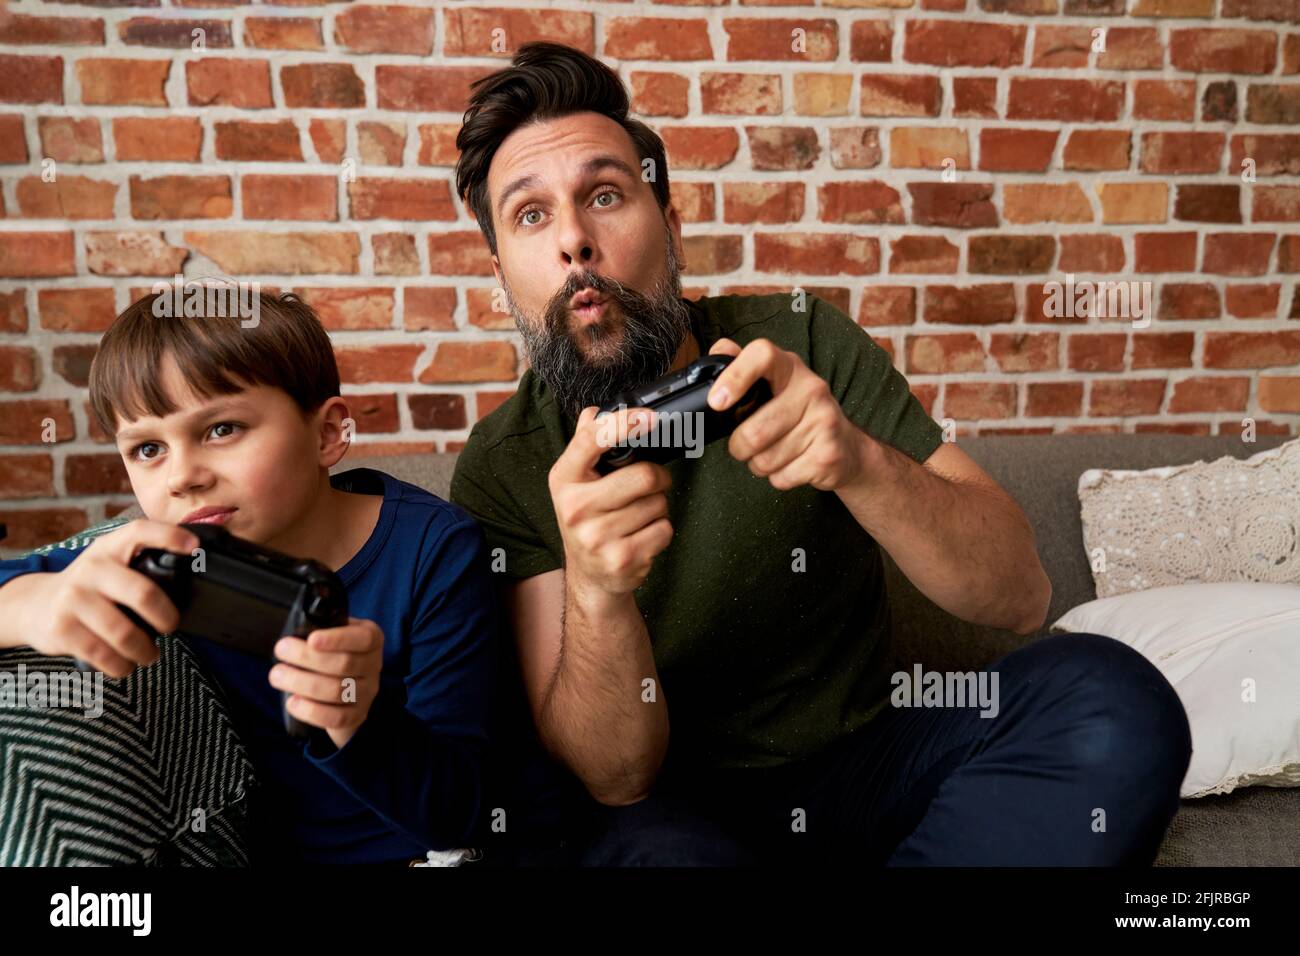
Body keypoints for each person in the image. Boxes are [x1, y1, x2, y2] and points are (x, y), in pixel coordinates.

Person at [448, 42, 1193, 866]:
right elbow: (616, 777)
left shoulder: (803, 341)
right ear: (500, 276)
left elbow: (1020, 595)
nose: (575, 242)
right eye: (531, 215)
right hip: (674, 813)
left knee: (1110, 696)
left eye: (605, 194)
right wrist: (596, 592)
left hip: (868, 767)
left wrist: (858, 461)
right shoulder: (507, 464)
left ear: (671, 225)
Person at [0, 289, 499, 865]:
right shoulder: (157, 562)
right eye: (148, 449)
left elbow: (463, 811)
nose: (183, 477)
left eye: (221, 430)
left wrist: (358, 719)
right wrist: (34, 601)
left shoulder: (434, 550)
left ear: (327, 433)